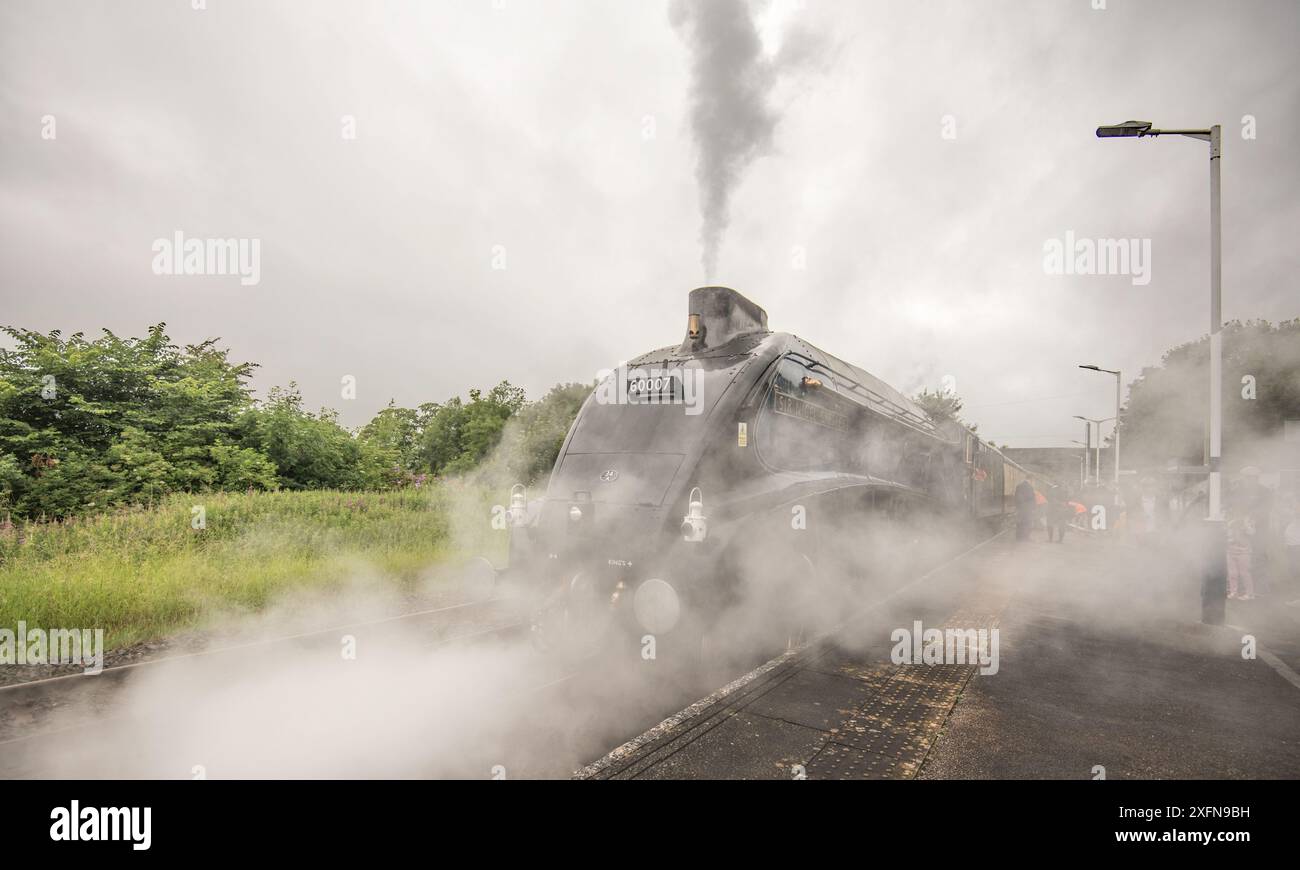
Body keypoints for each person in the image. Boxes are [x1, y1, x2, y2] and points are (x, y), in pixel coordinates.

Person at [1226, 505, 1255, 601]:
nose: (1237, 513)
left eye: (1239, 512)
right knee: (1232, 573)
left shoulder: (1248, 522)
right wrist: (1230, 539)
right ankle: (1233, 592)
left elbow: (1252, 532)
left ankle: (1249, 594)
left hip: (1244, 552)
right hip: (1230, 551)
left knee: (1244, 573)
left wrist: (1246, 524)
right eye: (1235, 511)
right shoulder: (1231, 522)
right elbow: (1227, 535)